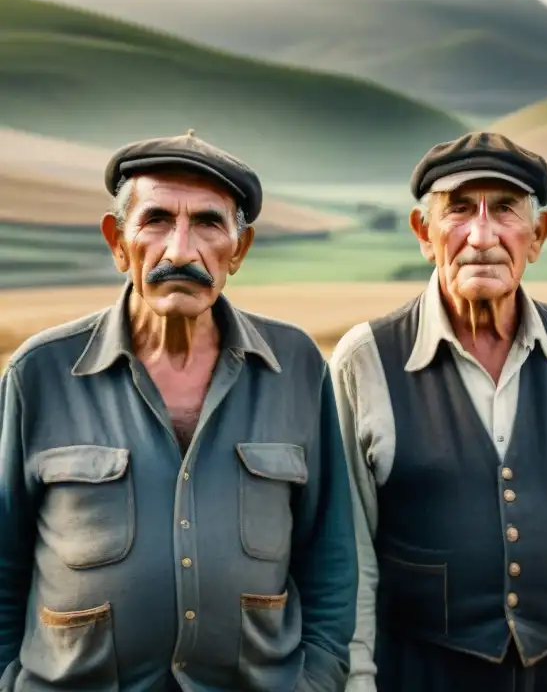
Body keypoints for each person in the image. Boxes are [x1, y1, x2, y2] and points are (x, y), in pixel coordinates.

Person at [0, 130, 358, 691]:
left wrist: (315, 681)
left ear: (238, 250)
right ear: (118, 241)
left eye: (209, 224)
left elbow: (330, 564)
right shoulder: (39, 375)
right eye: (157, 220)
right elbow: (3, 566)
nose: (181, 251)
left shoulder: (297, 370)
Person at [330, 131, 547, 692]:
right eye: (460, 210)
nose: (482, 235)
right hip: (419, 676)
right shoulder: (365, 360)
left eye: (506, 211)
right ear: (425, 233)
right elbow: (348, 561)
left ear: (536, 236)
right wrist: (358, 681)